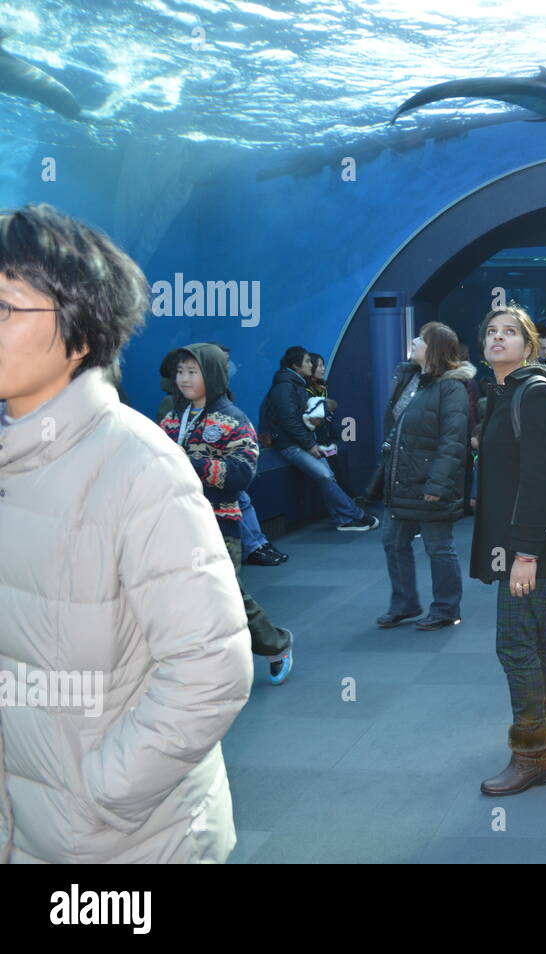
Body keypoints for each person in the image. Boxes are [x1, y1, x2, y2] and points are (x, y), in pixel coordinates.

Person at [0, 203, 250, 863]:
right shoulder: (14, 458)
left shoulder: (135, 462)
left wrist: (101, 792)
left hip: (126, 846)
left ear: (80, 332)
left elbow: (211, 667)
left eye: (4, 309)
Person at [470, 305, 546, 795]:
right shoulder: (510, 392)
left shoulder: (532, 394)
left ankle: (532, 752)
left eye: (510, 332)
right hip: (539, 541)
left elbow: (540, 479)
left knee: (516, 647)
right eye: (491, 331)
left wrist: (526, 555)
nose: (498, 337)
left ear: (528, 345)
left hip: (530, 545)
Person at [161, 343, 295, 684]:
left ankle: (276, 644)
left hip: (216, 523)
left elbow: (241, 474)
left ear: (213, 375)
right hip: (172, 522)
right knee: (179, 598)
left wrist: (185, 463)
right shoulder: (173, 416)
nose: (183, 379)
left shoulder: (234, 420)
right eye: (180, 371)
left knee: (226, 597)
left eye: (192, 372)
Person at [372, 322, 471, 630]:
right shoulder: (410, 377)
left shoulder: (452, 387)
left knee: (438, 547)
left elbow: (453, 441)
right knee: (392, 541)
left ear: (435, 348)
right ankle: (404, 604)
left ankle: (445, 608)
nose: (414, 341)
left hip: (430, 483)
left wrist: (438, 484)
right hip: (400, 479)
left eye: (421, 339)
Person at [260, 346, 377, 531]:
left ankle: (343, 520)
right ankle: (356, 514)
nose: (311, 365)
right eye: (307, 361)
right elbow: (289, 421)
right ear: (296, 366)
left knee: (327, 476)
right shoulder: (285, 387)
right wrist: (309, 444)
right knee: (324, 475)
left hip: (301, 442)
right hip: (290, 444)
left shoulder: (296, 385)